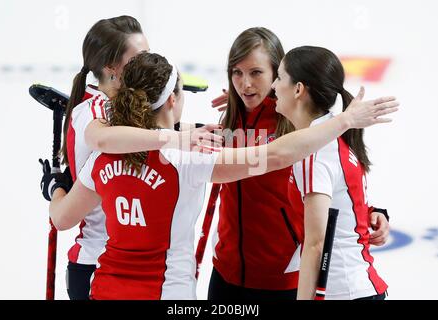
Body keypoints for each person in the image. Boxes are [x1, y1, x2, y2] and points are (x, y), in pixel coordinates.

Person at [43, 52, 397, 299]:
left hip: (105, 290)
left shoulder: (105, 156)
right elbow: (278, 154)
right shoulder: (190, 159)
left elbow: (61, 218)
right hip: (169, 292)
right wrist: (345, 120)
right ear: (172, 101)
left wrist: (58, 185)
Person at [208, 27, 391, 300]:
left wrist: (371, 211)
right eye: (237, 72)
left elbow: (330, 175)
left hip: (285, 278)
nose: (245, 84)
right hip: (227, 273)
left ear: (276, 75)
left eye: (256, 73)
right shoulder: (229, 119)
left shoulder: (294, 122)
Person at [52, 15, 222, 300]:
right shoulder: (94, 110)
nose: (150, 60)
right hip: (99, 262)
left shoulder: (123, 111)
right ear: (113, 69)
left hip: (135, 267)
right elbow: (103, 139)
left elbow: (146, 130)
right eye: (140, 56)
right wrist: (177, 137)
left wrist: (196, 130)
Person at [272, 45, 390, 300]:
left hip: (342, 291)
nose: (273, 85)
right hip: (359, 287)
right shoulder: (333, 137)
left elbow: (316, 244)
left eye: (279, 77)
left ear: (298, 89)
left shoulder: (315, 150)